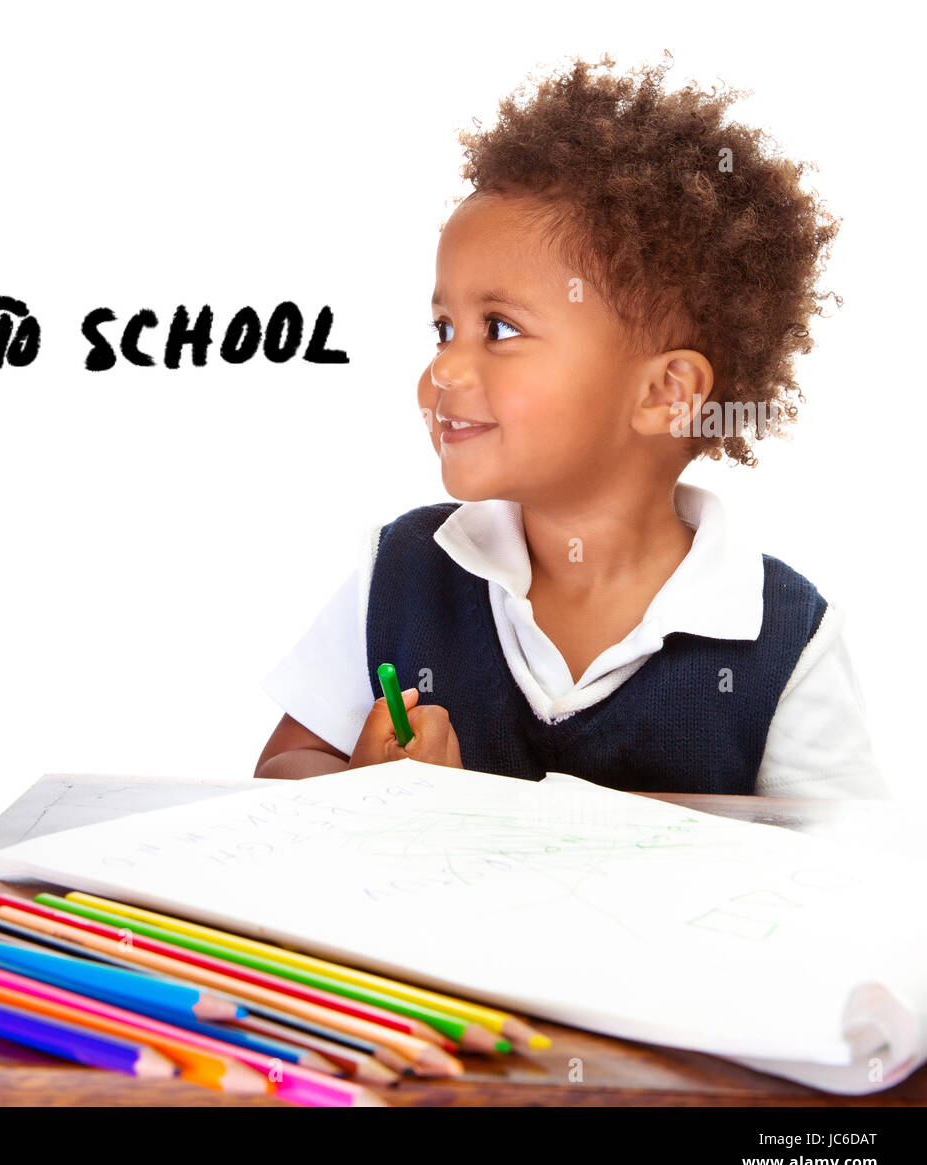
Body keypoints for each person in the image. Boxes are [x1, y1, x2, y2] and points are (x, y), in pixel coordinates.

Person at [254, 55, 890, 800]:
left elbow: (839, 865)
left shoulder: (782, 640)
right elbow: (281, 770)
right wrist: (373, 788)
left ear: (665, 392)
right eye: (441, 329)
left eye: (497, 328)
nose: (445, 371)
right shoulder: (400, 574)